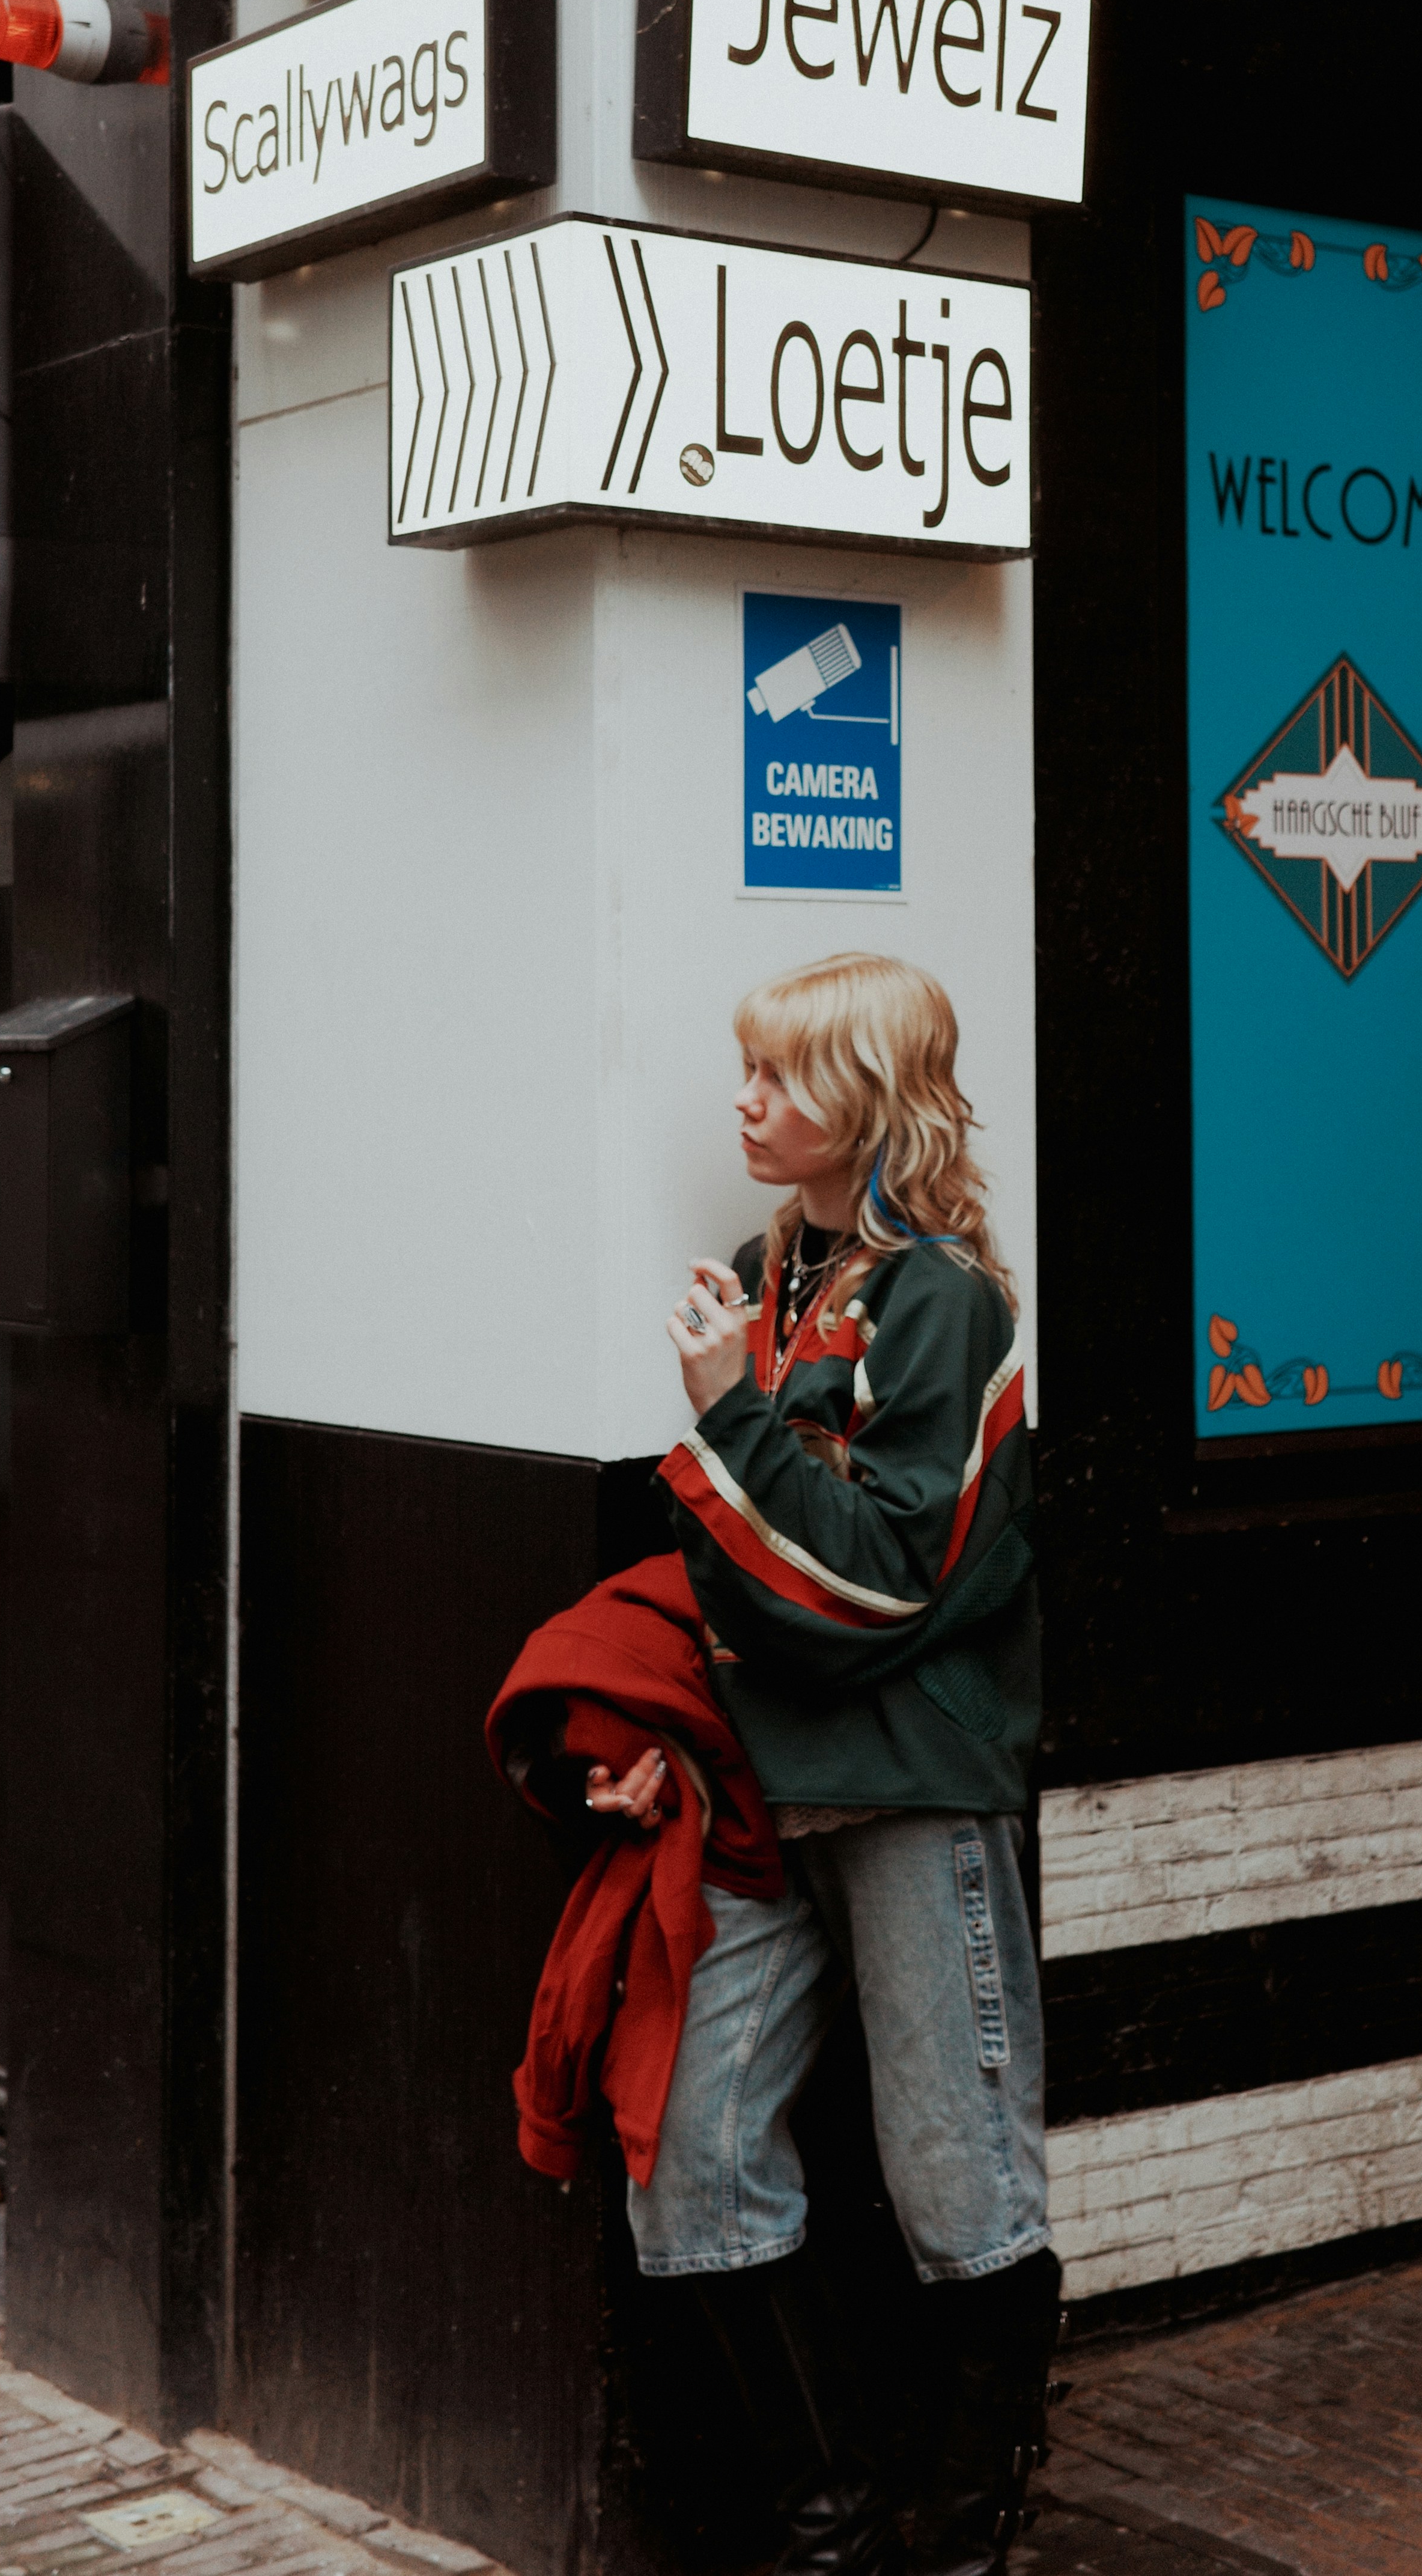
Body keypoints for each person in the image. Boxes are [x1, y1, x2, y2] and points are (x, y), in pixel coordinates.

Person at [586, 951, 1057, 2576]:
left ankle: (965, 2538)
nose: (744, 1102)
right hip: (762, 1790)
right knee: (692, 2165)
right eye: (747, 1069)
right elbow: (732, 1571)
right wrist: (664, 1733)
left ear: (865, 1098)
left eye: (778, 1076)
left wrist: (730, 1413)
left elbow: (881, 1582)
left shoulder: (950, 1303)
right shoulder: (760, 1275)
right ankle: (831, 2533)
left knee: (962, 2184)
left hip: (914, 1787)